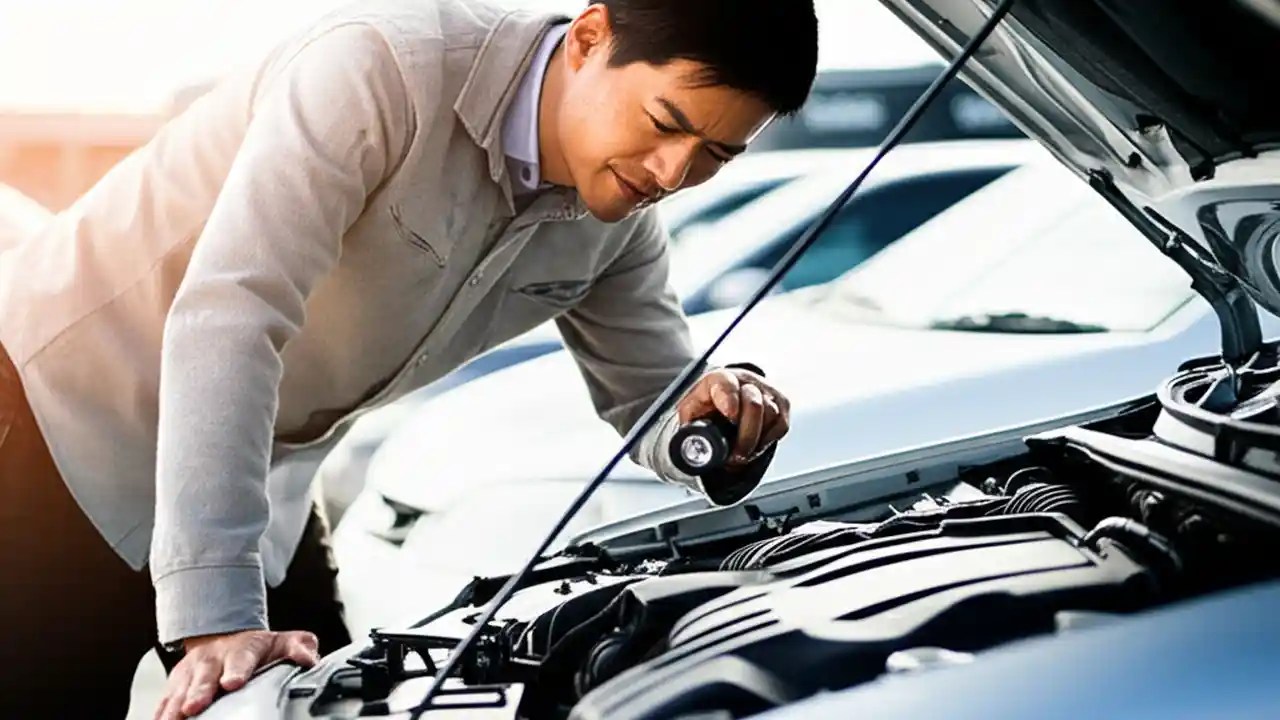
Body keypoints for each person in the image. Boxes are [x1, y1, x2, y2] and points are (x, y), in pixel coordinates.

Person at [0, 0, 817, 717]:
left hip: (254, 462)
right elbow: (231, 315)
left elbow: (652, 394)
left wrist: (717, 420)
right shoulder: (378, 69)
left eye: (717, 154)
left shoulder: (622, 222)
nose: (674, 173)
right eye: (668, 123)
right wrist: (215, 618)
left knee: (334, 694)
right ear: (590, 36)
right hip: (57, 410)